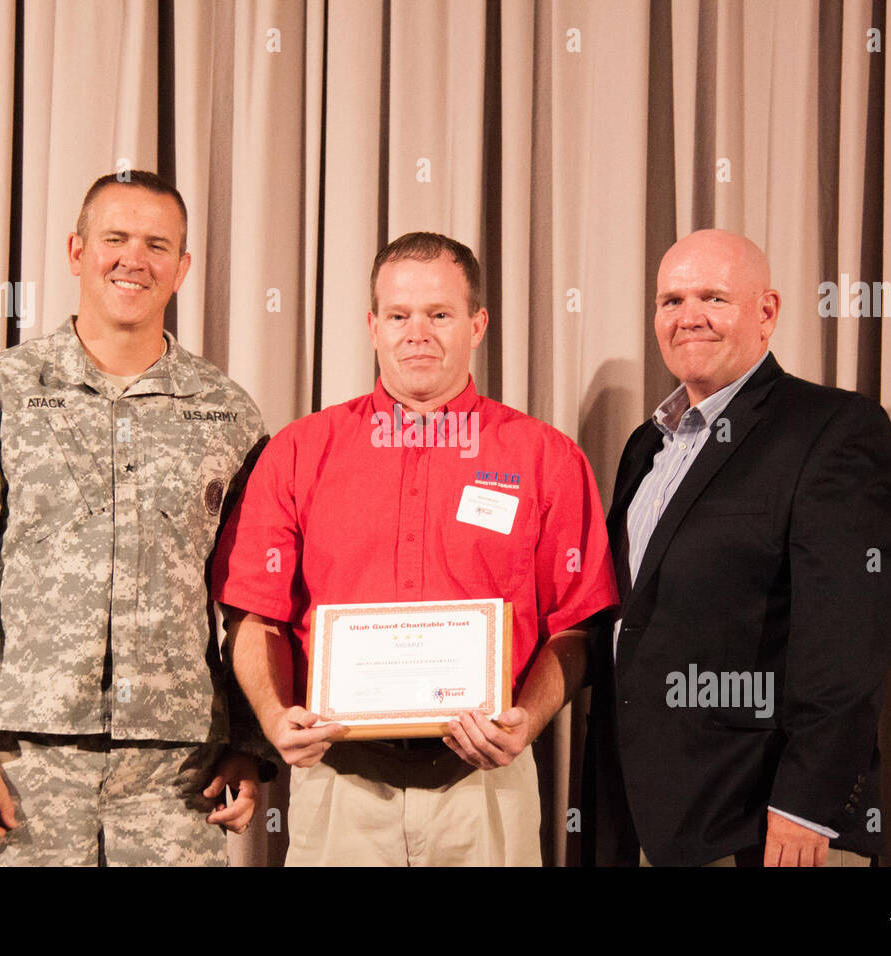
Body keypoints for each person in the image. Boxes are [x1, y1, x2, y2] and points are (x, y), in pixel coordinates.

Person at [211, 232, 617, 866]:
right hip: (337, 785)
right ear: (373, 327)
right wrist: (272, 714)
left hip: (486, 785)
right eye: (398, 315)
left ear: (478, 324)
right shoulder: (298, 451)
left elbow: (578, 627)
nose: (416, 333)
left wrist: (526, 723)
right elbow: (254, 613)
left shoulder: (546, 459)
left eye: (440, 314)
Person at [0, 170, 269, 866]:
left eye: (158, 244)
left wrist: (249, 745)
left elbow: (254, 597)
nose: (135, 259)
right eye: (115, 238)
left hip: (177, 779)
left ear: (183, 268)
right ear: (76, 251)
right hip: (23, 768)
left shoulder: (225, 412)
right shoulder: (1, 392)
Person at [586, 229, 891, 867]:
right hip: (641, 816)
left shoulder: (832, 430)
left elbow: (848, 639)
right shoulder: (644, 447)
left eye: (713, 298)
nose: (688, 318)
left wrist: (807, 805)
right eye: (671, 300)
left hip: (764, 825)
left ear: (767, 312)